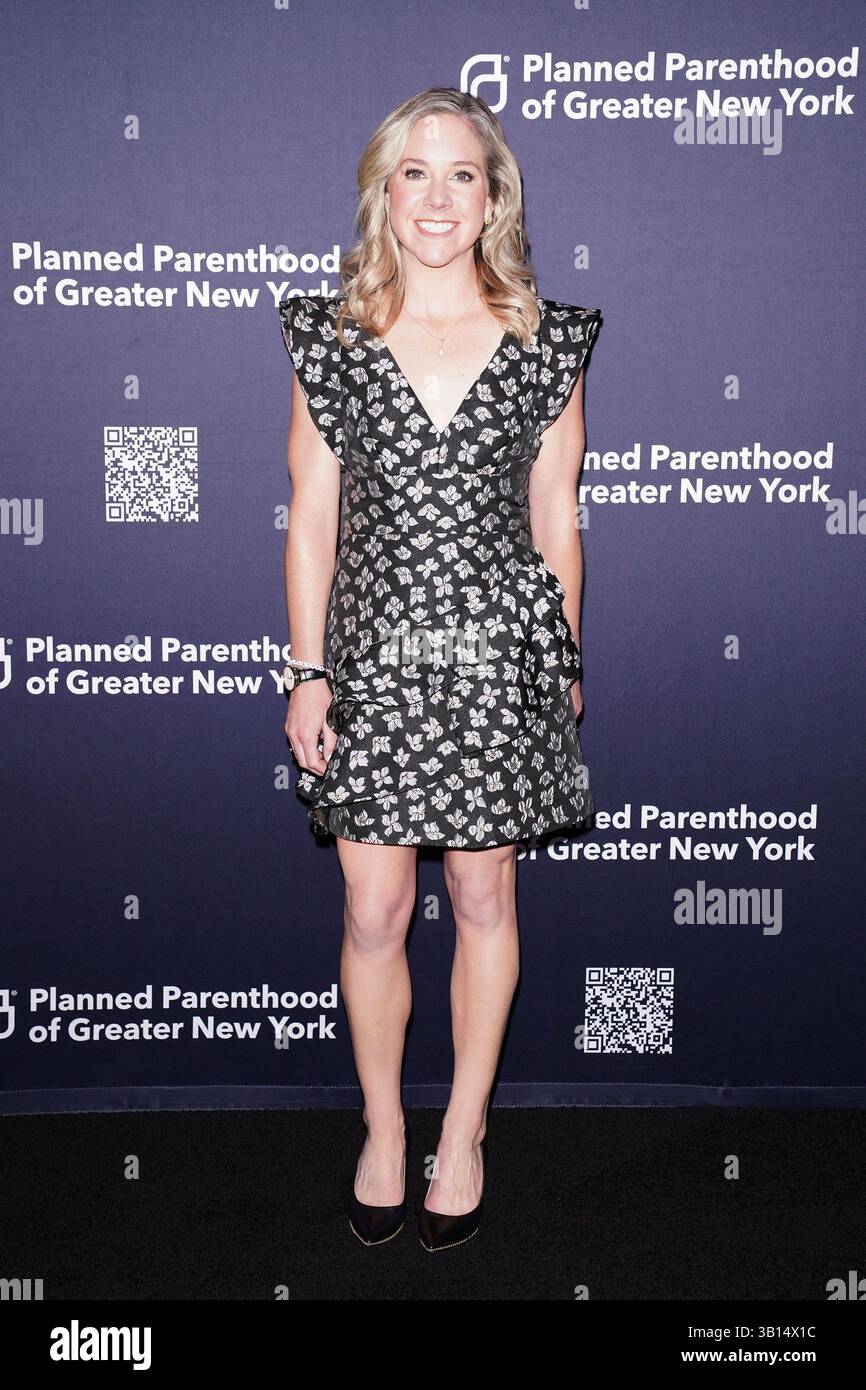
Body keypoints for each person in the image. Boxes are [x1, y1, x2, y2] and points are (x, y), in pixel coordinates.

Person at [278, 87, 602, 1251]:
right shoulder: (330, 333)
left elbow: (556, 518)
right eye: (413, 173)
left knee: (481, 896)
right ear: (383, 190)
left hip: (494, 657)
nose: (435, 197)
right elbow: (311, 517)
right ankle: (380, 1124)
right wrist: (307, 669)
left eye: (460, 173)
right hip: (369, 655)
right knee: (374, 908)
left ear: (491, 194)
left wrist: (558, 657)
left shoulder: (545, 340)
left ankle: (460, 1130)